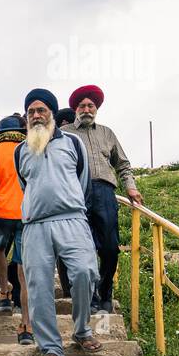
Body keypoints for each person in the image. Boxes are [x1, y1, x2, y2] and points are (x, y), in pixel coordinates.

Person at [15, 88, 102, 356]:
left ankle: (82, 330)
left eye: (41, 110)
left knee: (85, 273)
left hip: (73, 219)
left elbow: (83, 180)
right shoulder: (20, 151)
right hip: (36, 225)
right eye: (31, 112)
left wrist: (70, 204)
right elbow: (24, 186)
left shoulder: (73, 143)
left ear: (52, 113)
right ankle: (51, 347)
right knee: (39, 285)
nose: (36, 116)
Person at [67, 84, 142, 313]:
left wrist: (130, 187)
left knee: (110, 247)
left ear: (96, 108)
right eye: (82, 106)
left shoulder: (107, 133)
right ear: (76, 109)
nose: (87, 109)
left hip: (105, 192)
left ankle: (105, 291)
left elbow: (123, 164)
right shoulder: (66, 133)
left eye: (91, 105)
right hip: (76, 193)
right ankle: (88, 297)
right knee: (83, 248)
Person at [0, 114, 33, 344]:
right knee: (23, 269)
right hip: (27, 213)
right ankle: (26, 327)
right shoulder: (29, 148)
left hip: (1, 214)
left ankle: (3, 292)